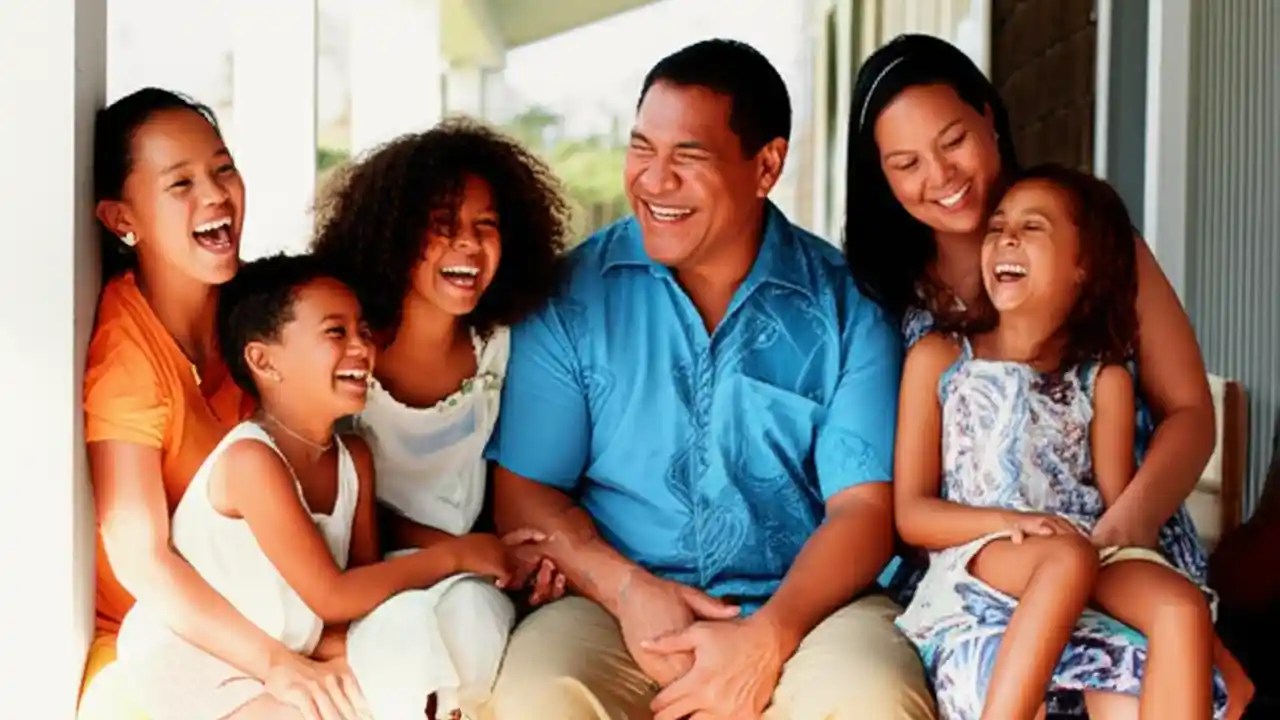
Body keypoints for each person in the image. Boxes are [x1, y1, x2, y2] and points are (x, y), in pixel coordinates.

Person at [486, 39, 936, 720]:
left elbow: (864, 512)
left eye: (687, 158)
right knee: (538, 699)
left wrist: (768, 638)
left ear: (767, 166)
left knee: (874, 700)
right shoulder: (571, 297)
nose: (653, 181)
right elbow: (525, 490)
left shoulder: (848, 305)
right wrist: (627, 589)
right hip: (615, 603)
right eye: (642, 149)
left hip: (808, 607)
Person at [844, 34, 1252, 716]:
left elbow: (1190, 410)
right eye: (906, 163)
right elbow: (905, 493)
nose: (940, 176)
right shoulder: (886, 297)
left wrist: (1123, 529)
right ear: (882, 176)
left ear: (989, 116)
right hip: (982, 556)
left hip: (1124, 526)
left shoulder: (1093, 241)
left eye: (953, 141)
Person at [115, 253, 543, 720]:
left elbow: (358, 596)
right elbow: (332, 593)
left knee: (396, 660)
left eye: (363, 331)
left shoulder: (353, 457)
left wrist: (352, 662)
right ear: (263, 361)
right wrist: (455, 554)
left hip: (293, 648)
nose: (361, 347)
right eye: (336, 332)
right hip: (199, 657)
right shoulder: (252, 462)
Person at [894, 165, 1227, 720]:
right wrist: (1008, 524)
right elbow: (912, 515)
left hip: (1086, 551)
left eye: (1033, 228)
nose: (1006, 237)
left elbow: (1117, 516)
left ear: (1082, 268)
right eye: (998, 226)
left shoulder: (1105, 381)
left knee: (1180, 608)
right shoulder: (941, 359)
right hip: (982, 555)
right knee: (1066, 556)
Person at [79, 89, 360, 719]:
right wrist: (279, 667)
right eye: (180, 184)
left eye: (223, 168)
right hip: (162, 647)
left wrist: (332, 643)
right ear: (123, 219)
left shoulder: (255, 316)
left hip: (282, 623)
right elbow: (141, 560)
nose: (215, 195)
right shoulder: (128, 355)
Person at [309, 119, 572, 716]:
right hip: (368, 570)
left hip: (475, 574)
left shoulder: (502, 345)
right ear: (391, 237)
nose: (469, 245)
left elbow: (526, 476)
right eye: (442, 228)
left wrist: (529, 556)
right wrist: (462, 550)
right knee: (402, 626)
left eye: (487, 226)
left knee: (472, 614)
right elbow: (332, 496)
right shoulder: (348, 352)